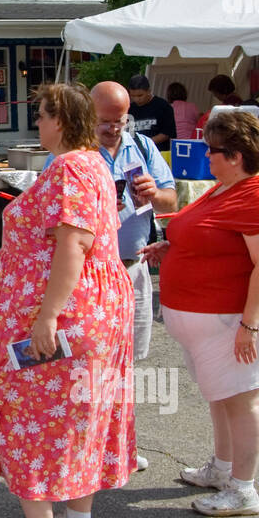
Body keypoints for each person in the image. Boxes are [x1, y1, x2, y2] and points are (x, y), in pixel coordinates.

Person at [0, 83, 135, 518]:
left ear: (60, 120)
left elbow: (75, 244)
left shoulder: (71, 167)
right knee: (76, 416)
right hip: (93, 309)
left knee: (30, 415)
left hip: (64, 314)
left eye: (42, 115)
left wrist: (46, 316)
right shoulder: (92, 164)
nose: (37, 123)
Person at [139, 110, 259, 517]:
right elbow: (210, 234)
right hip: (212, 319)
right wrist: (174, 249)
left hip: (236, 317)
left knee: (242, 401)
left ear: (236, 155)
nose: (206, 155)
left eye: (213, 150)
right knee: (222, 397)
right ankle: (222, 469)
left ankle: (243, 489)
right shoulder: (228, 187)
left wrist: (249, 324)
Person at [88, 82, 177, 470]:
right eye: (104, 122)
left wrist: (154, 192)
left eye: (119, 121)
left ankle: (120, 444)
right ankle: (89, 445)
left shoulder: (141, 146)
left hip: (134, 268)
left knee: (128, 364)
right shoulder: (76, 154)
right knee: (90, 365)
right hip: (91, 276)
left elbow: (173, 198)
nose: (112, 129)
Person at [126, 75, 176, 147]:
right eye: (133, 96)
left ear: (149, 91)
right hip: (135, 152)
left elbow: (167, 133)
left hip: (158, 152)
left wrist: (146, 144)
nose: (136, 99)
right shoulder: (129, 108)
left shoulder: (163, 106)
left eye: (140, 95)